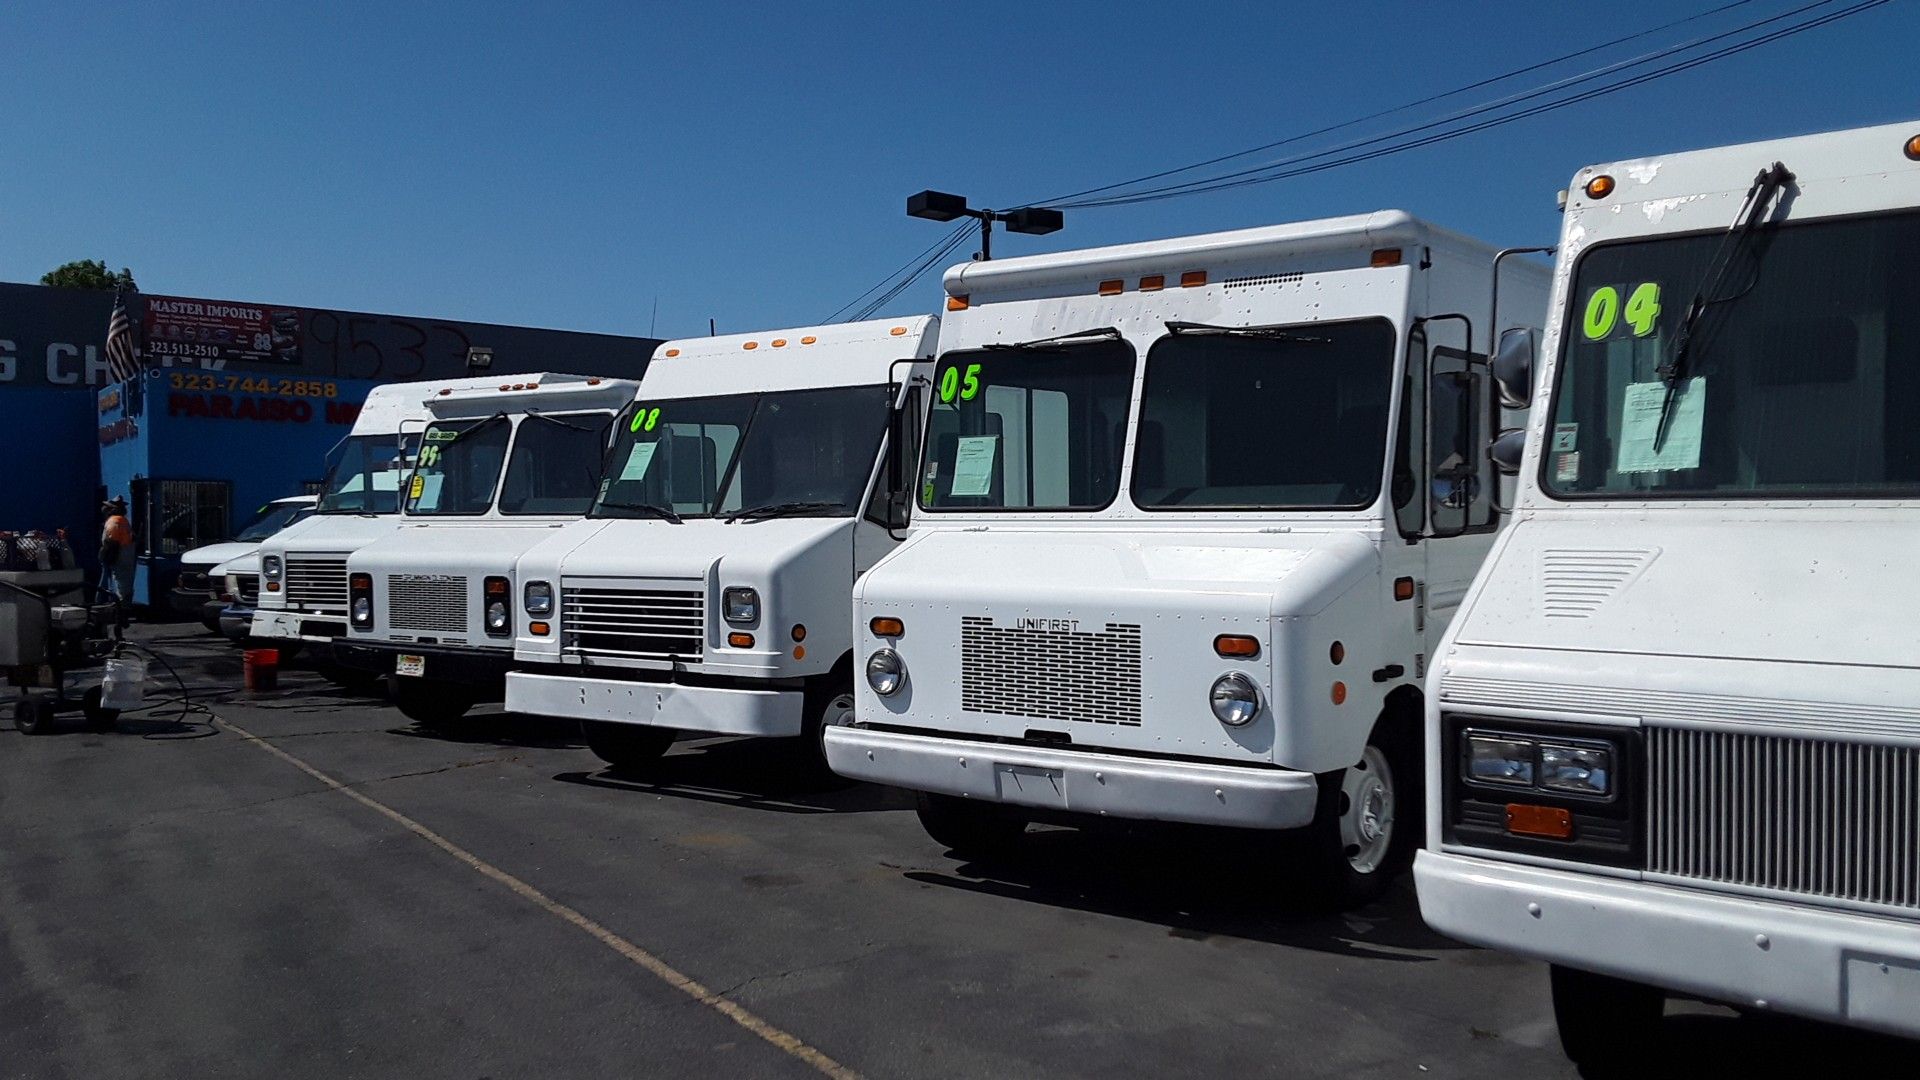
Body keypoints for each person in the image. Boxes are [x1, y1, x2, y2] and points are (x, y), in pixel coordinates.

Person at [99, 496, 136, 606]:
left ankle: (120, 608)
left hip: (118, 555)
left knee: (119, 582)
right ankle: (123, 605)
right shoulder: (124, 520)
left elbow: (110, 541)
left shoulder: (113, 521)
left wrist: (105, 555)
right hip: (127, 554)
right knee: (125, 582)